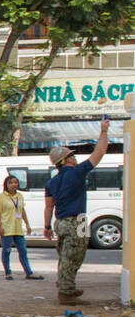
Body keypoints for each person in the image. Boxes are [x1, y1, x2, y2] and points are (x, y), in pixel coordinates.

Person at [44, 119, 109, 304]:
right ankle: (65, 293)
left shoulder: (51, 182)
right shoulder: (77, 172)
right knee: (74, 256)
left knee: (65, 255)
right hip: (78, 220)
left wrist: (47, 226)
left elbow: (49, 206)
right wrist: (103, 131)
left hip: (61, 222)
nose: (75, 157)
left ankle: (66, 286)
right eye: (71, 155)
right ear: (65, 160)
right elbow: (100, 152)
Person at [0, 175, 43, 281]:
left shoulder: (19, 196)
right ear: (6, 184)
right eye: (11, 183)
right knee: (6, 251)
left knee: (23, 251)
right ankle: (8, 272)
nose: (14, 185)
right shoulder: (0, 197)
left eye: (16, 182)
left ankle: (29, 272)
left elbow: (22, 211)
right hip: (6, 228)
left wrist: (27, 224)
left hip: (18, 228)